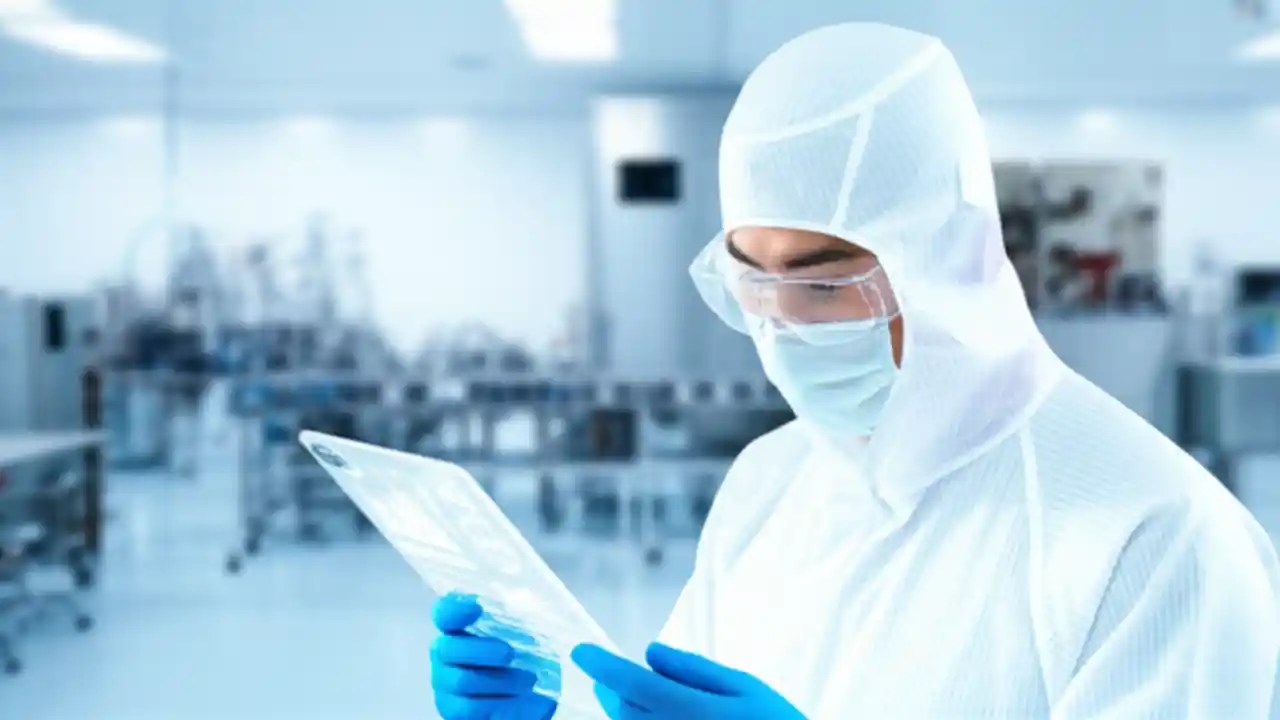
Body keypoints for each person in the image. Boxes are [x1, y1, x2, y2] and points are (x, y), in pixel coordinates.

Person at [430, 22, 1280, 718]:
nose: (788, 328)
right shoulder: (770, 481)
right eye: (757, 280)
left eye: (828, 281)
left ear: (948, 256)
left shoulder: (1157, 534)